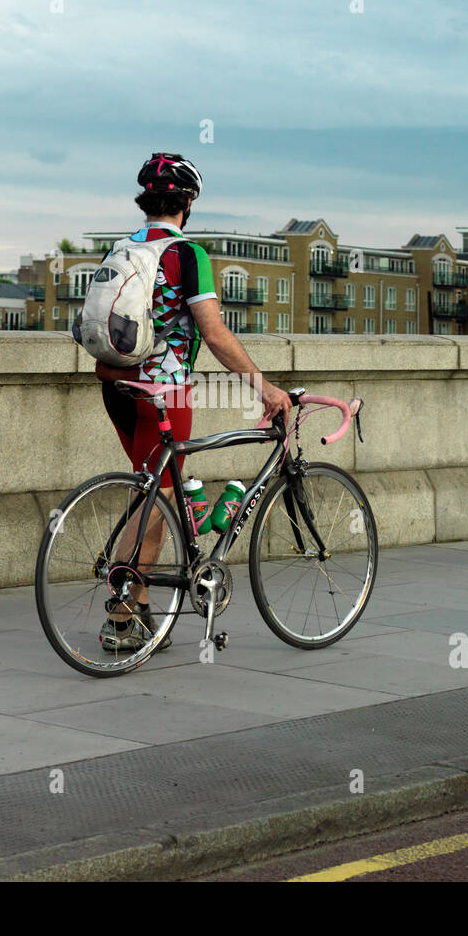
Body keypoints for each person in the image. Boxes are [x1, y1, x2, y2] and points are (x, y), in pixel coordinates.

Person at [94, 152, 290, 653]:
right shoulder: (188, 255)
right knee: (153, 497)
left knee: (152, 490)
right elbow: (215, 334)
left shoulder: (122, 247)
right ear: (187, 203)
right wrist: (264, 388)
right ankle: (120, 614)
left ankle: (137, 606)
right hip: (164, 389)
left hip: (117, 382)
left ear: (145, 200)